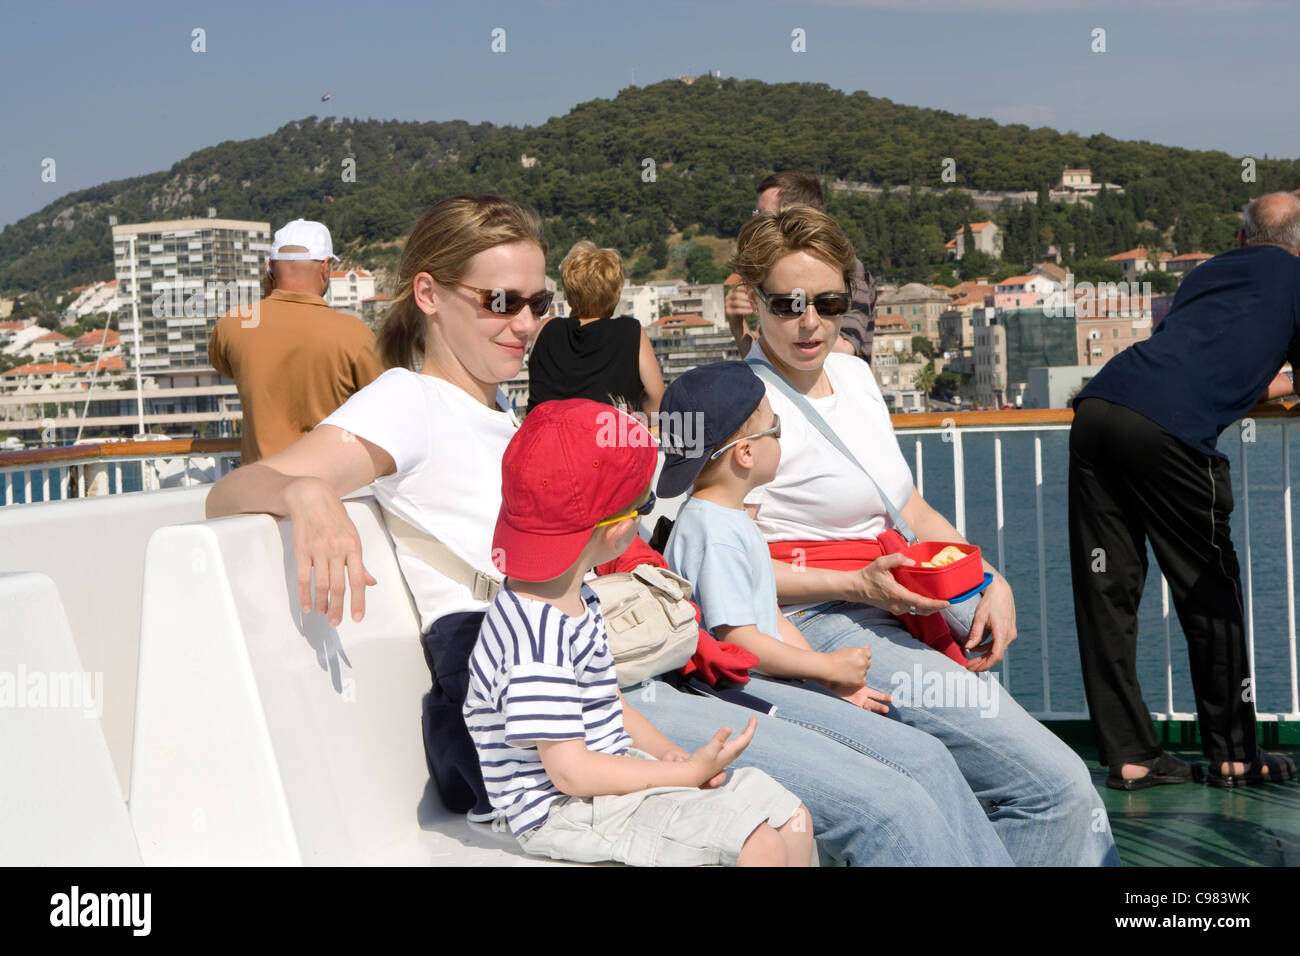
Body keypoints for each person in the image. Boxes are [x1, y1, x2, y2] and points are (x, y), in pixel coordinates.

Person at [205, 193, 1015, 866]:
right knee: (887, 804)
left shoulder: (492, 405)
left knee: (919, 764)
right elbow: (238, 489)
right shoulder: (407, 403)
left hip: (620, 656)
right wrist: (308, 495)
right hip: (574, 695)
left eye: (535, 303)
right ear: (428, 295)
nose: (523, 324)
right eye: (498, 302)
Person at [730, 203, 1118, 866]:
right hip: (820, 620)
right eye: (788, 302)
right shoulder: (738, 403)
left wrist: (986, 575)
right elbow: (726, 568)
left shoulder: (852, 376)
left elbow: (907, 505)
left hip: (894, 600)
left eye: (829, 301)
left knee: (1029, 784)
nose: (810, 321)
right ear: (750, 300)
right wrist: (857, 583)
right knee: (1054, 789)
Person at [465, 398, 812, 866]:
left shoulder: (577, 598)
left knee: (790, 817)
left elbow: (611, 707)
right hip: (565, 810)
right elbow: (569, 774)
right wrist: (684, 776)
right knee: (759, 845)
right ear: (620, 530)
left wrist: (673, 757)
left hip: (607, 785)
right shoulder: (536, 636)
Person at [1068, 191, 1300, 790]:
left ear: (1245, 237)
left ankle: (1130, 756)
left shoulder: (1209, 273)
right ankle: (1234, 756)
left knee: (1107, 593)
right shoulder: (1296, 279)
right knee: (1210, 594)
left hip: (1100, 405)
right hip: (1168, 431)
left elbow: (1195, 357)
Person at [660, 361, 882, 711]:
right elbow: (743, 641)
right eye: (775, 428)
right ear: (746, 453)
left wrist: (828, 680)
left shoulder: (727, 516)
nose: (781, 436)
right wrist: (827, 666)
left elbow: (771, 617)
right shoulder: (716, 533)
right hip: (749, 696)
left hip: (770, 682)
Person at [209, 218, 381, 464]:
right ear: (324, 268)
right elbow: (386, 406)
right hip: (329, 489)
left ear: (270, 269)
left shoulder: (233, 324)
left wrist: (270, 298)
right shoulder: (356, 335)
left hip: (260, 487)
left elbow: (227, 367)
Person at [725, 171, 876, 362]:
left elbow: (843, 352)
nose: (755, 222)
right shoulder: (774, 274)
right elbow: (767, 369)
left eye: (763, 214)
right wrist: (738, 325)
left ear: (796, 214)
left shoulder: (842, 267)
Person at [526, 240, 665, 417]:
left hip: (543, 437)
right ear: (616, 293)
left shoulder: (545, 329)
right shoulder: (629, 332)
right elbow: (657, 400)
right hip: (604, 437)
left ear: (569, 295)